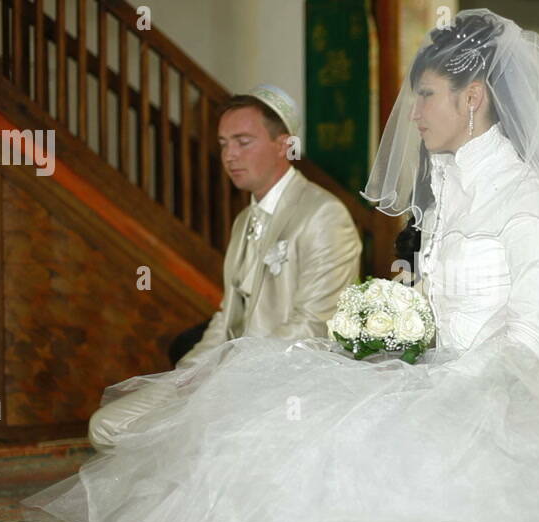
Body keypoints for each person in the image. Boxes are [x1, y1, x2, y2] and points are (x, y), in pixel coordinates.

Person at [23, 10, 539, 522]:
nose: (415, 112)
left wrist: (445, 389)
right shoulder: (449, 194)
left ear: (476, 99)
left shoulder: (527, 203)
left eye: (427, 95)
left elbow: (526, 345)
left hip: (505, 396)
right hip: (432, 373)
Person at [87, 85, 363, 453]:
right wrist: (189, 374)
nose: (229, 155)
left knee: (170, 435)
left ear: (284, 145)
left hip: (288, 377)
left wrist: (226, 373)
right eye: (222, 144)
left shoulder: (323, 215)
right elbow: (227, 315)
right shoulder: (244, 220)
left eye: (243, 141)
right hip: (229, 370)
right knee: (107, 426)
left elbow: (314, 324)